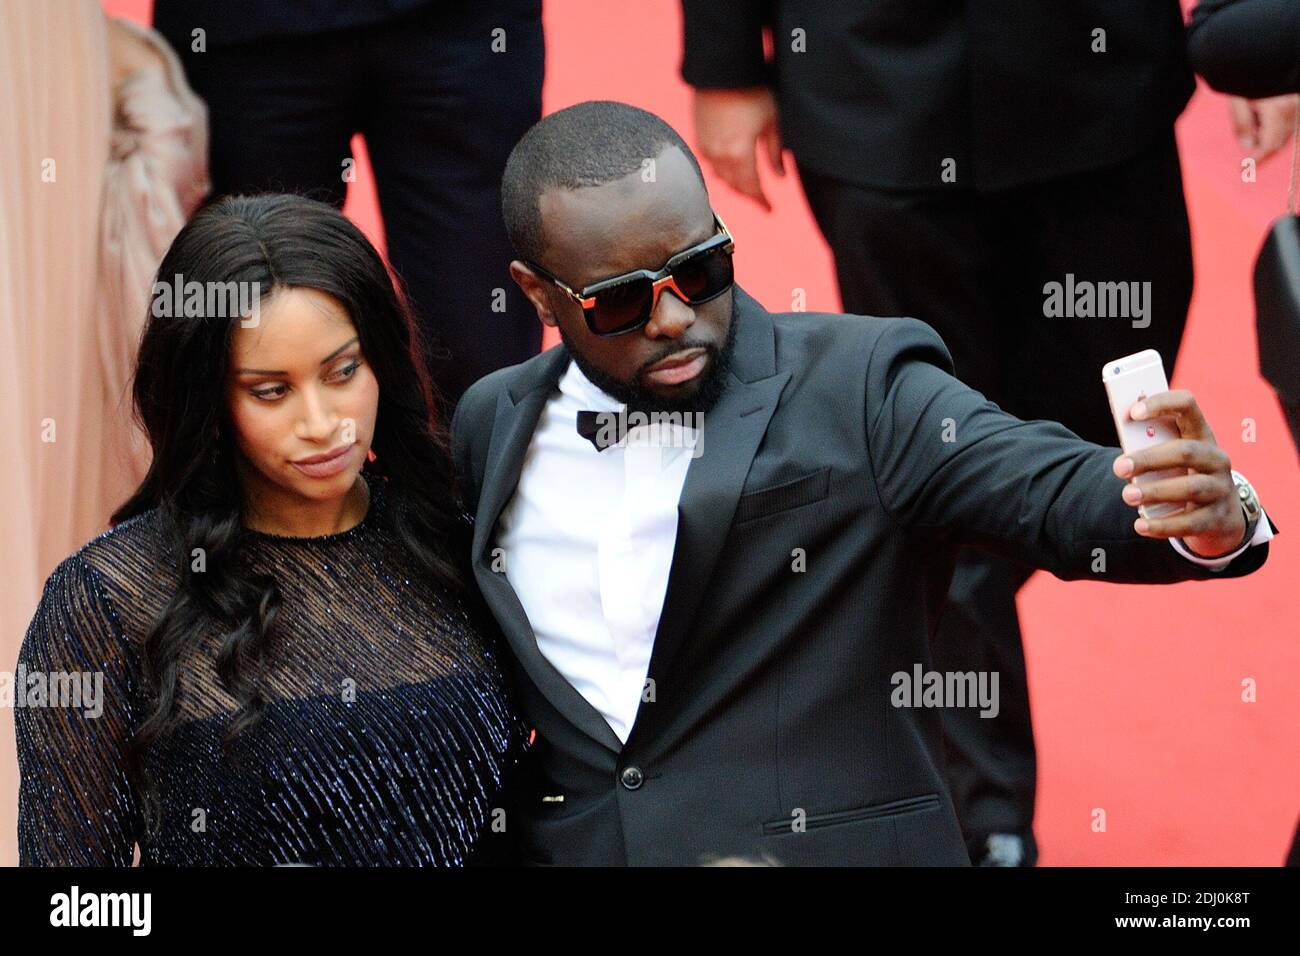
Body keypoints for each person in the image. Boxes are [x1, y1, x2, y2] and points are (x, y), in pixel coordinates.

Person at [451, 101, 1277, 866]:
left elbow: (1037, 481)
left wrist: (1194, 512)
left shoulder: (861, 382)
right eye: (622, 301)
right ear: (538, 293)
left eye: (699, 270)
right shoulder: (492, 424)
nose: (674, 319)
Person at [679, 0, 1216, 866]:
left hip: (1106, 84)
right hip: (876, 92)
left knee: (1089, 442)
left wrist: (1264, 36)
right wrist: (724, 58)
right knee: (938, 453)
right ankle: (987, 819)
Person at [15, 195, 528, 866]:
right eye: (271, 390)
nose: (321, 422)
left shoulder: (460, 549)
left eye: (343, 372)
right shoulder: (108, 602)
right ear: (209, 399)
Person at [151, 0, 545, 411]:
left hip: (464, 24)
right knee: (251, 329)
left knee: (479, 343)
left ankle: (479, 473)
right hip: (242, 32)